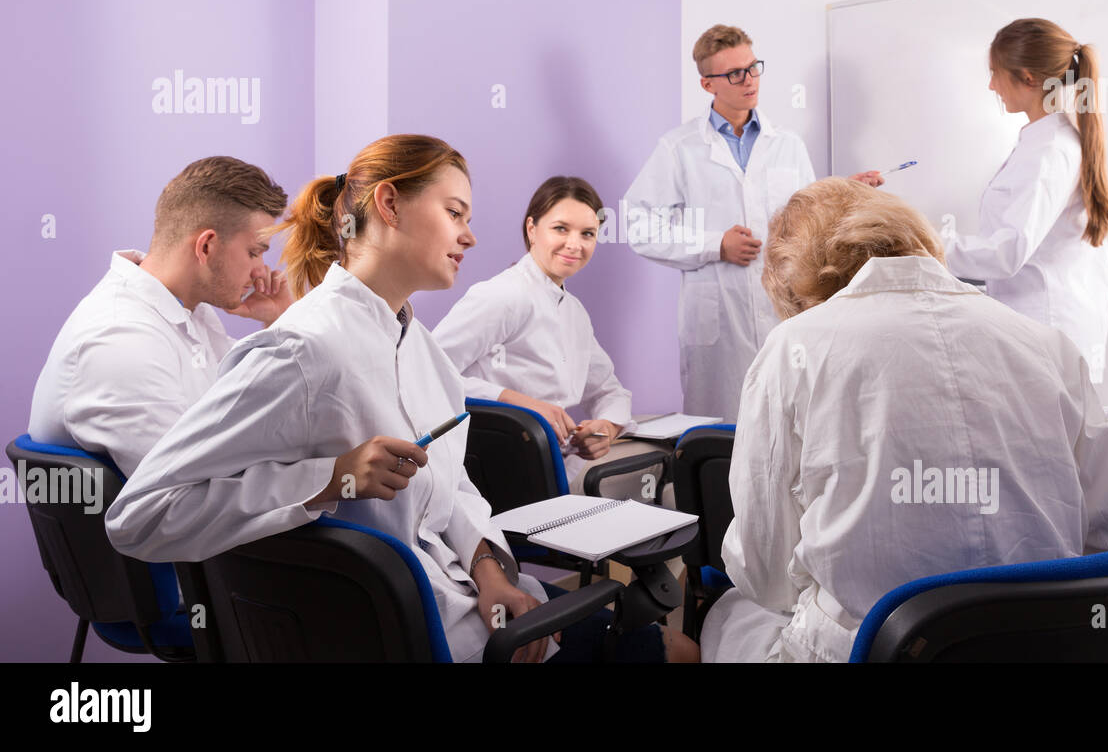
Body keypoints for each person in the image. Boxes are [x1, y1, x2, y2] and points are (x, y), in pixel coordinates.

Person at [107, 135, 691, 662]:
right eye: (455, 212)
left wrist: (489, 567)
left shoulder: (424, 353)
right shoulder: (304, 351)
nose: (471, 235)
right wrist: (328, 478)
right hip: (416, 635)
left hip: (472, 608)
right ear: (388, 204)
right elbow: (140, 519)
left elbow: (455, 489)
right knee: (674, 651)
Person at [702, 178, 1108, 663]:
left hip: (872, 651)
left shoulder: (794, 348)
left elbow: (765, 575)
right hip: (1039, 647)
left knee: (730, 616)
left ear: (793, 285)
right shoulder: (1046, 344)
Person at [28, 156, 291, 477]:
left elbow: (250, 409)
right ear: (206, 246)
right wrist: (328, 481)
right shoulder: (121, 340)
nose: (261, 270)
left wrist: (279, 320)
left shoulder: (190, 312)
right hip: (180, 522)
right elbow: (193, 486)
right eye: (254, 252)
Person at [623, 24, 817, 422]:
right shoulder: (680, 148)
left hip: (784, 312)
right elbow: (639, 225)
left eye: (753, 67)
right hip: (717, 324)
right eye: (734, 74)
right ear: (707, 84)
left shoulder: (787, 145)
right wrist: (715, 244)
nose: (749, 81)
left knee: (794, 426)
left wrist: (845, 192)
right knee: (722, 438)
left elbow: (808, 218)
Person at [433, 176, 638, 487]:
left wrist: (605, 428)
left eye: (588, 234)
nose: (575, 244)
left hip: (551, 466)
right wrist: (515, 400)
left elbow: (609, 390)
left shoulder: (574, 311)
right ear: (532, 229)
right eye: (561, 229)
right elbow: (430, 373)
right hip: (493, 468)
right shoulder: (502, 295)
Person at [942, 18, 1108, 382]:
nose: (991, 85)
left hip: (1046, 331)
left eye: (995, 73)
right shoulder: (1043, 140)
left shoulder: (1050, 150)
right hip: (1040, 331)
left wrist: (925, 246)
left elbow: (1008, 251)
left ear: (1029, 78)